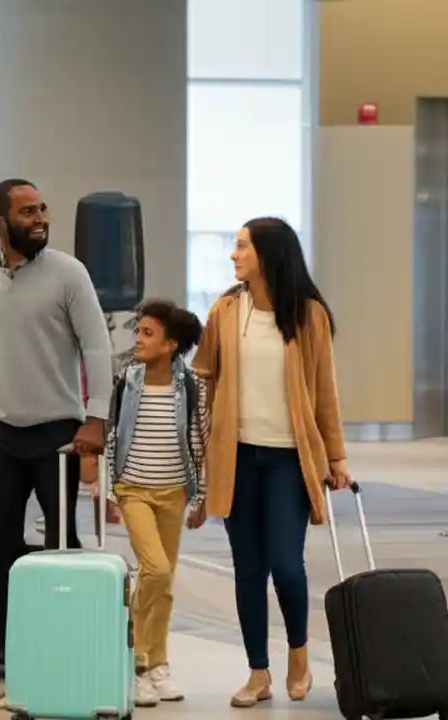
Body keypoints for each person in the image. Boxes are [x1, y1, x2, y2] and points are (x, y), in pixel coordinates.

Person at [0, 179, 112, 709]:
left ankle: (73, 654)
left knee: (63, 550)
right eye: (27, 211)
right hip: (0, 434)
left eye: (42, 208)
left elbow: (97, 347)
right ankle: (21, 665)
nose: (39, 218)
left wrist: (97, 419)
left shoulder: (69, 274)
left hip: (60, 433)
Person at [191, 216, 352, 708]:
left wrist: (337, 456)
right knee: (248, 570)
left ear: (268, 254)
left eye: (241, 247)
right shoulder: (223, 311)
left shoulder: (308, 316)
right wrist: (202, 447)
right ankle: (258, 672)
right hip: (237, 456)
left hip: (288, 459)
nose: (233, 254)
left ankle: (298, 653)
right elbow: (206, 379)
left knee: (286, 565)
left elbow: (324, 391)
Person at [103, 299, 208, 707]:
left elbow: (196, 441)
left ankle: (156, 664)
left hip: (174, 493)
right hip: (135, 490)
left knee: (162, 582)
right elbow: (114, 434)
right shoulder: (126, 380)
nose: (139, 340)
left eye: (148, 333)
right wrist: (112, 487)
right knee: (156, 568)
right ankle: (138, 659)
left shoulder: (191, 386)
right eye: (138, 332)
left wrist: (198, 496)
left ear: (171, 345)